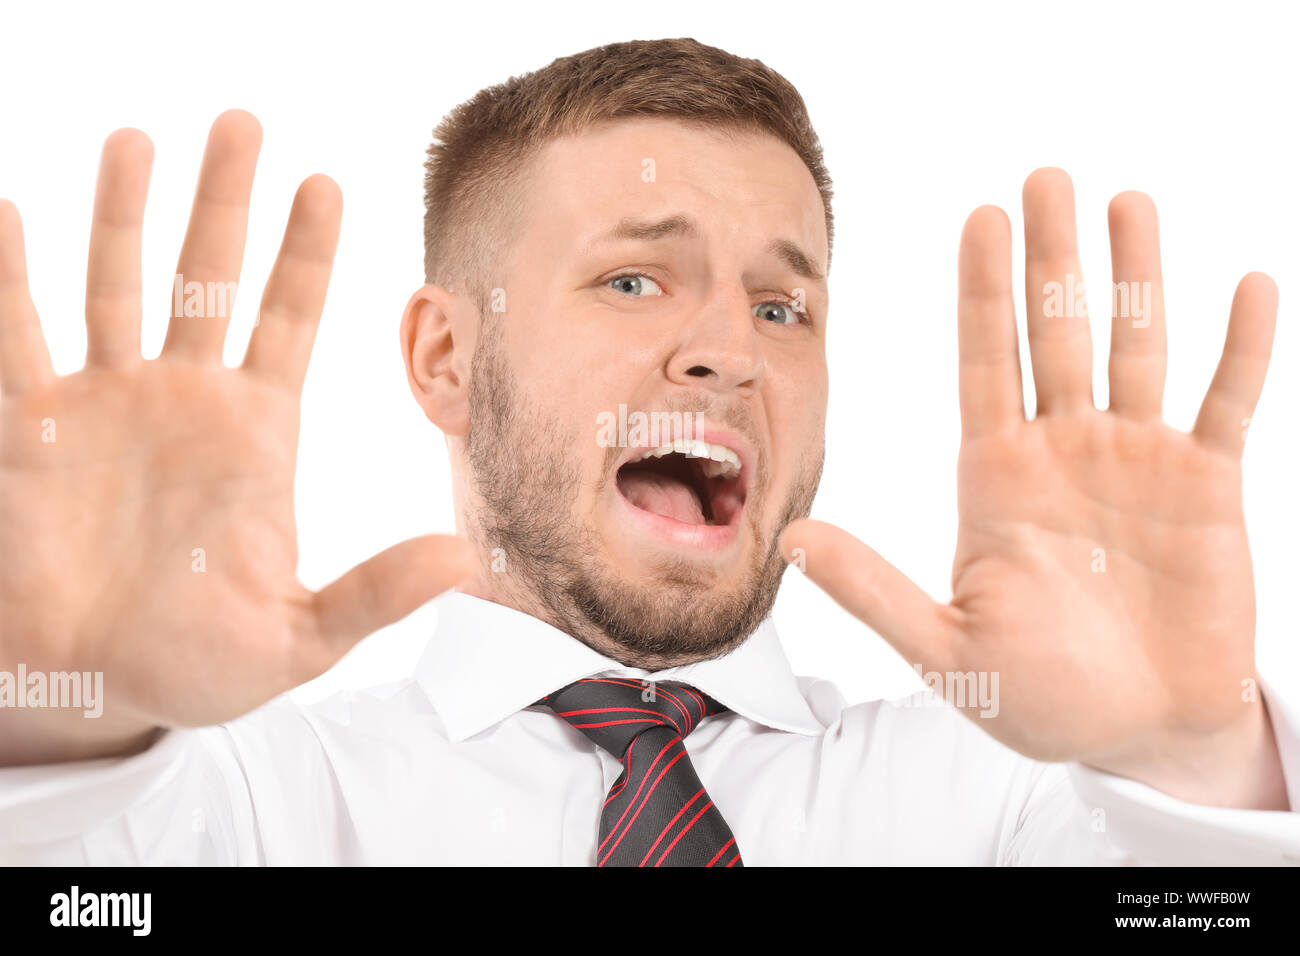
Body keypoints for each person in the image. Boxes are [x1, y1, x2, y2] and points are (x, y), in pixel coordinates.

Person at [0, 38, 1296, 865]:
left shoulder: (1006, 804)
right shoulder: (247, 808)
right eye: (632, 281)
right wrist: (65, 723)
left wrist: (1192, 761)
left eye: (784, 308)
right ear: (447, 361)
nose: (729, 349)